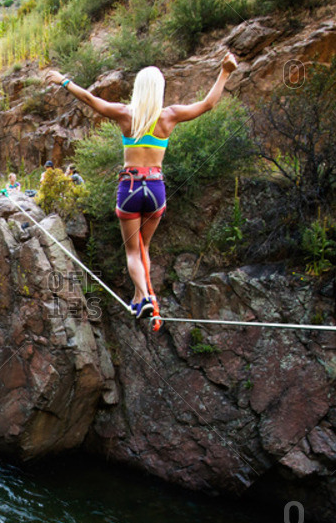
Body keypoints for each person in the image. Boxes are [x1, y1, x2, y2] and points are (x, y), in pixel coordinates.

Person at [43, 51, 238, 330]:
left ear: (138, 89)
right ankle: (140, 297)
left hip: (131, 187)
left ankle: (144, 296)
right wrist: (225, 72)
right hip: (156, 188)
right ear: (159, 90)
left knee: (133, 252)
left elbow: (89, 99)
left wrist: (64, 81)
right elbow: (208, 104)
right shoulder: (169, 117)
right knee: (144, 247)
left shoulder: (126, 115)